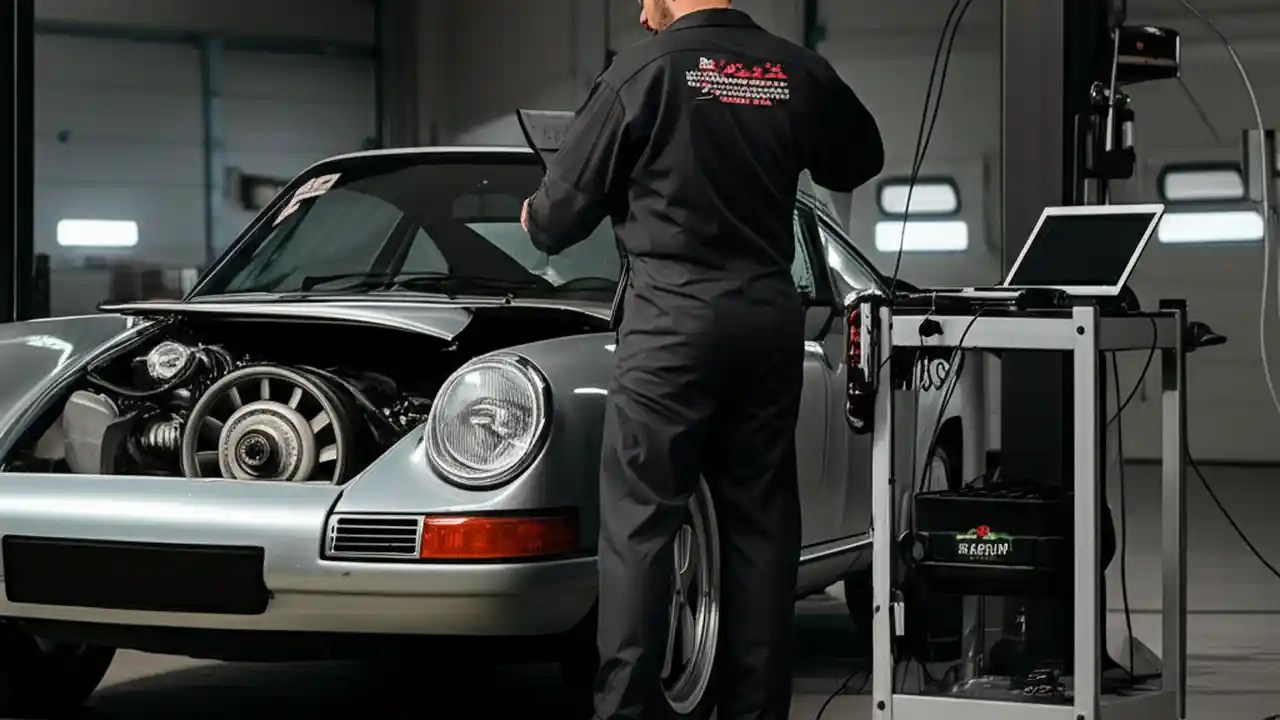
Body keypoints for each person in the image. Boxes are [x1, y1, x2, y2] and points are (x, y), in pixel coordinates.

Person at [521, 1, 883, 717]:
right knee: (760, 527)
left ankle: (628, 711)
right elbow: (860, 157)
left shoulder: (641, 71)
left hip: (671, 329)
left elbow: (554, 223)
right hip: (767, 325)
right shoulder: (794, 68)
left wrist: (537, 210)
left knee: (642, 525)